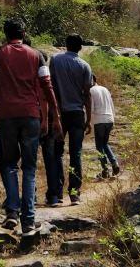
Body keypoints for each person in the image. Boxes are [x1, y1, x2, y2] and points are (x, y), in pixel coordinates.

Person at [0, 19, 62, 235]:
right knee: (29, 168)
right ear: (24, 33)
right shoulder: (37, 55)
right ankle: (28, 220)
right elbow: (47, 86)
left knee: (8, 163)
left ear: (5, 34)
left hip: (7, 116)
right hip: (31, 116)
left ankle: (12, 212)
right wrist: (55, 116)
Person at [43, 34, 93, 205]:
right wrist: (89, 118)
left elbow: (50, 85)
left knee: (56, 152)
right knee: (75, 153)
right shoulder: (85, 66)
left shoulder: (55, 60)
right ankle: (74, 193)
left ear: (65, 44)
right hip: (77, 113)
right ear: (80, 47)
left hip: (59, 113)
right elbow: (87, 94)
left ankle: (56, 193)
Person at [89, 75, 121, 178]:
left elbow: (91, 108)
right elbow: (112, 105)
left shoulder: (91, 91)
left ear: (91, 81)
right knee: (104, 144)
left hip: (99, 120)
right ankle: (114, 163)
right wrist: (113, 120)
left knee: (99, 146)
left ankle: (105, 170)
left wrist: (88, 122)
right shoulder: (105, 89)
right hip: (109, 119)